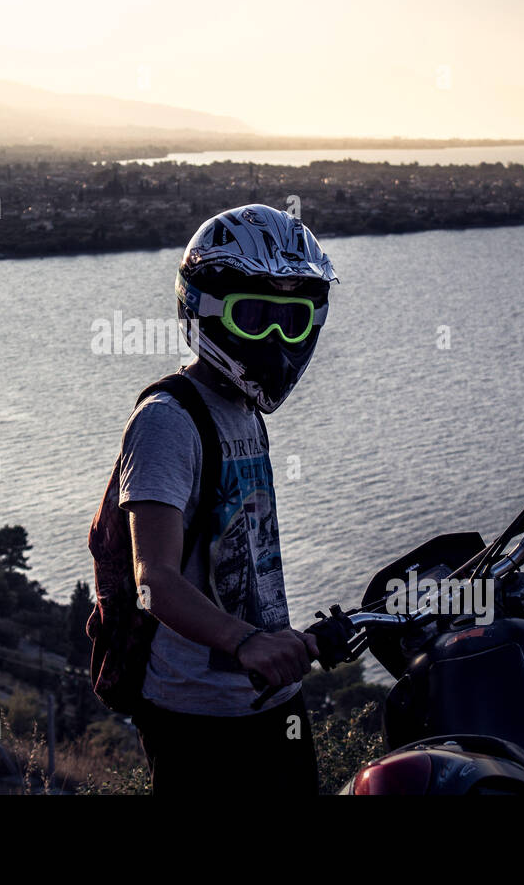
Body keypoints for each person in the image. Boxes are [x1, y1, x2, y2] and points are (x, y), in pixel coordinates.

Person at [117, 203, 336, 795]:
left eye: (292, 320)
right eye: (254, 317)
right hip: (198, 716)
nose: (275, 339)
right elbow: (153, 579)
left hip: (272, 700)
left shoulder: (244, 410)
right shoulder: (168, 421)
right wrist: (246, 643)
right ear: (204, 313)